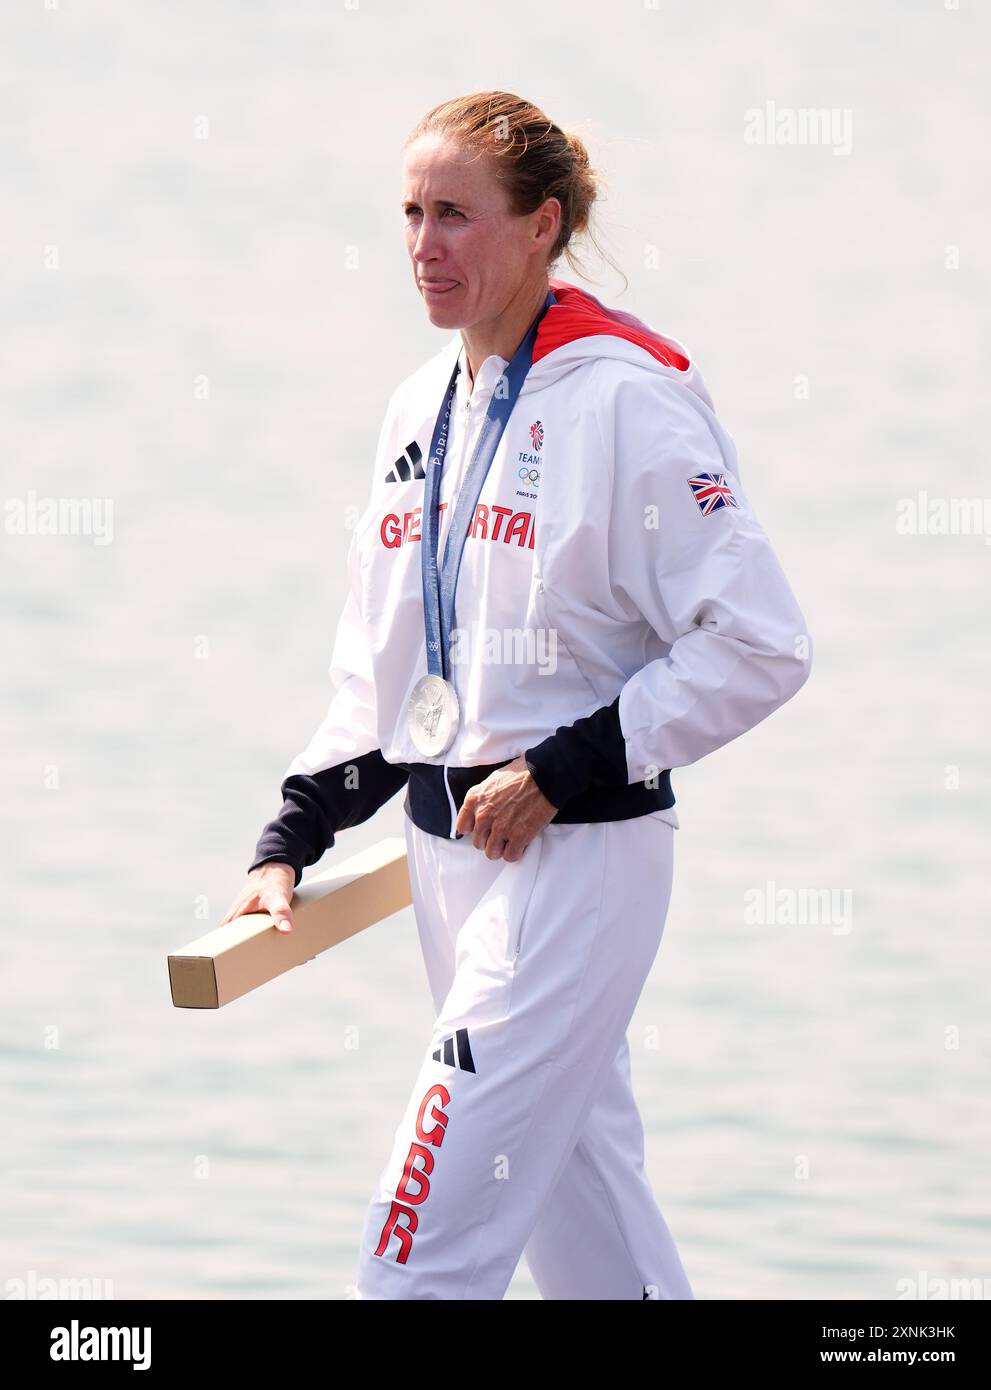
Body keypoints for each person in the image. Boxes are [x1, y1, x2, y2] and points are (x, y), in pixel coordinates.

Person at [221, 90, 813, 1300]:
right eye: (409, 213)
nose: (424, 246)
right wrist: (293, 831)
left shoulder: (628, 400)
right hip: (446, 870)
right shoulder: (418, 407)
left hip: (574, 873)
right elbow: (388, 675)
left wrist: (562, 767)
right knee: (593, 1241)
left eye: (456, 215)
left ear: (542, 226)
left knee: (415, 1249)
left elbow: (762, 644)